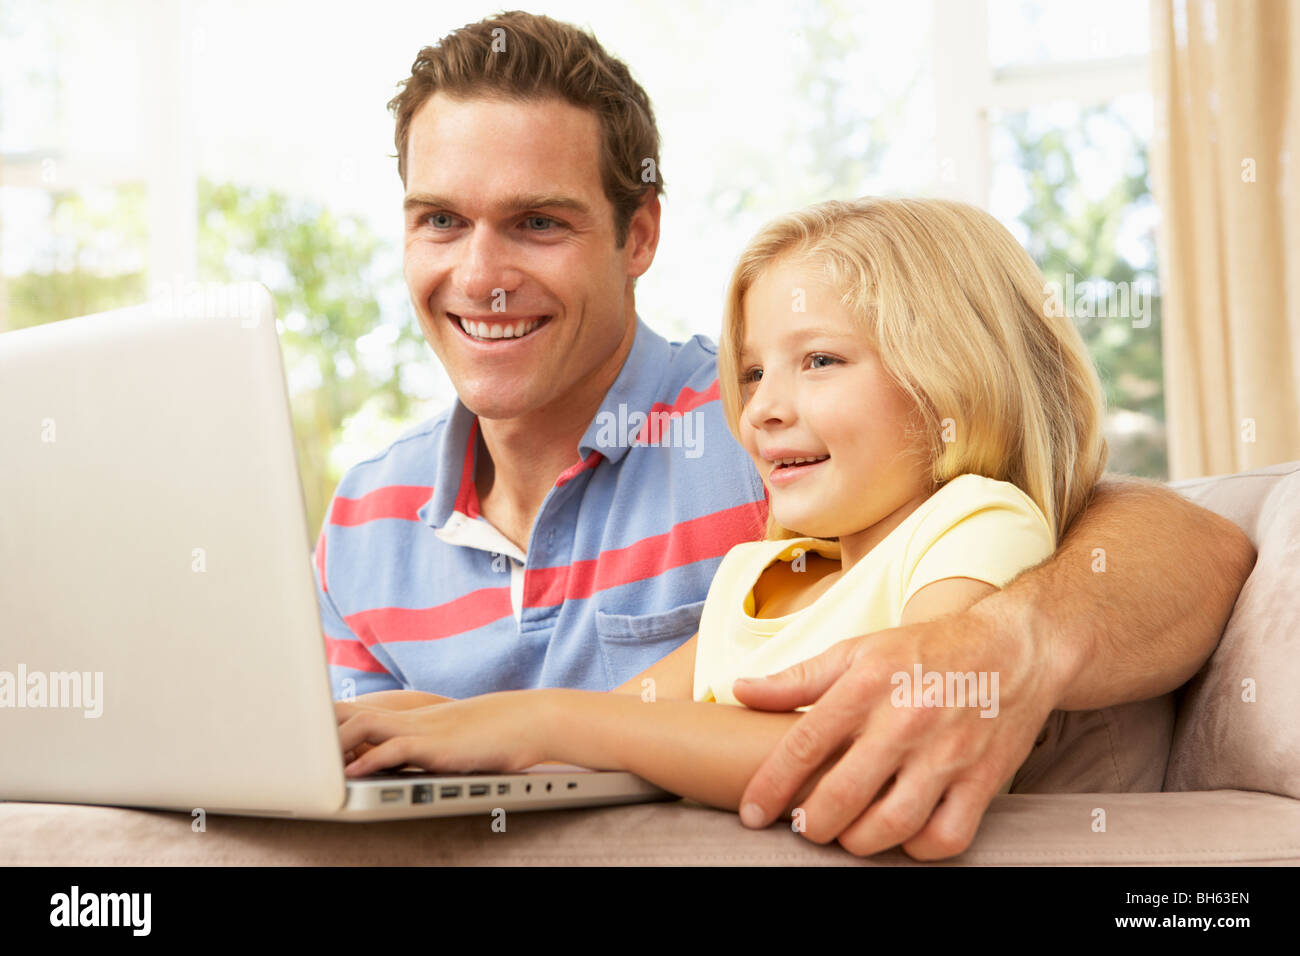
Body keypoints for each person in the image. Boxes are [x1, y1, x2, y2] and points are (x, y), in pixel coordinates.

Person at [318, 11, 1255, 859]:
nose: (482, 274)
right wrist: (459, 728)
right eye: (439, 220)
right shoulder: (362, 517)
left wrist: (1019, 643)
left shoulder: (791, 463)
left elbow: (1178, 538)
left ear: (638, 233)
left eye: (537, 222)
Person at [335, 195, 1112, 815]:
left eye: (819, 360)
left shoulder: (974, 525)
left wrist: (538, 720)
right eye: (749, 374)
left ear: (955, 377)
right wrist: (446, 730)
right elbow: (621, 718)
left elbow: (867, 746)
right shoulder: (754, 574)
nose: (761, 410)